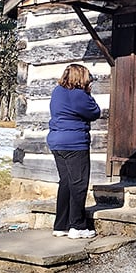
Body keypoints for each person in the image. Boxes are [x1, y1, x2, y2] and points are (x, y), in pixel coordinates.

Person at [47, 64, 101, 239]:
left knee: (66, 182)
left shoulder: (57, 91)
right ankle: (77, 226)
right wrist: (88, 93)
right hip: (74, 144)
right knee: (78, 183)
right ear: (81, 78)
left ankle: (60, 225)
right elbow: (94, 112)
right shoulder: (79, 95)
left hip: (56, 142)